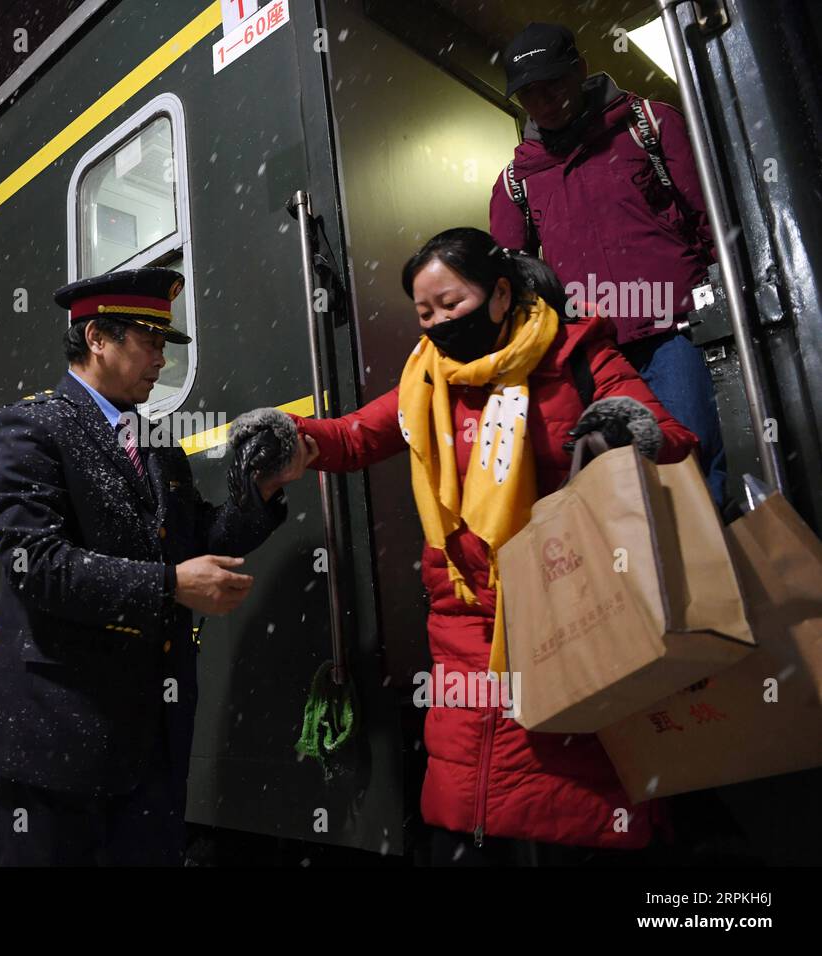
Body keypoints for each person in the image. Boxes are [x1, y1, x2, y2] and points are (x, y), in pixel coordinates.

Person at [258, 228, 698, 860]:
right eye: (425, 313)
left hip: (575, 605)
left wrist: (628, 429)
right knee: (472, 795)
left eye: (451, 304)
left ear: (499, 293)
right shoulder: (427, 381)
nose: (438, 324)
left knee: (585, 803)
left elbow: (669, 433)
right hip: (465, 619)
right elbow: (354, 436)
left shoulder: (577, 353)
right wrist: (287, 432)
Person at [0, 267, 307, 866]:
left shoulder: (155, 445)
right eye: (150, 343)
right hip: (62, 733)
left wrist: (262, 491)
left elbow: (197, 536)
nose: (160, 360)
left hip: (152, 732)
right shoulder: (29, 428)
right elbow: (39, 566)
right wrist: (170, 585)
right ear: (98, 337)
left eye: (163, 346)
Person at [490, 21, 726, 505]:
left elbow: (712, 222)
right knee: (620, 490)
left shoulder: (647, 124)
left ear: (579, 69)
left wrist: (708, 300)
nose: (545, 100)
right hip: (591, 355)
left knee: (692, 465)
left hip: (670, 331)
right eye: (530, 93)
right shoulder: (518, 179)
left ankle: (713, 572)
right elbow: (509, 284)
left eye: (553, 82)